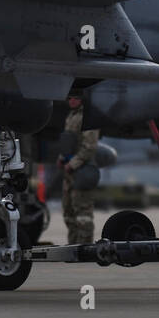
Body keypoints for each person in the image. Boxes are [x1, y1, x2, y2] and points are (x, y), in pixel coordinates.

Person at [59, 97, 99, 244]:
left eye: (75, 97)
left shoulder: (87, 118)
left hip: (82, 170)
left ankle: (85, 245)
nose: (71, 100)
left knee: (83, 212)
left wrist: (73, 164)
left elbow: (89, 147)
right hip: (70, 171)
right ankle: (73, 245)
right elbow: (68, 143)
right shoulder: (72, 116)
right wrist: (62, 158)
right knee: (68, 211)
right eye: (70, 98)